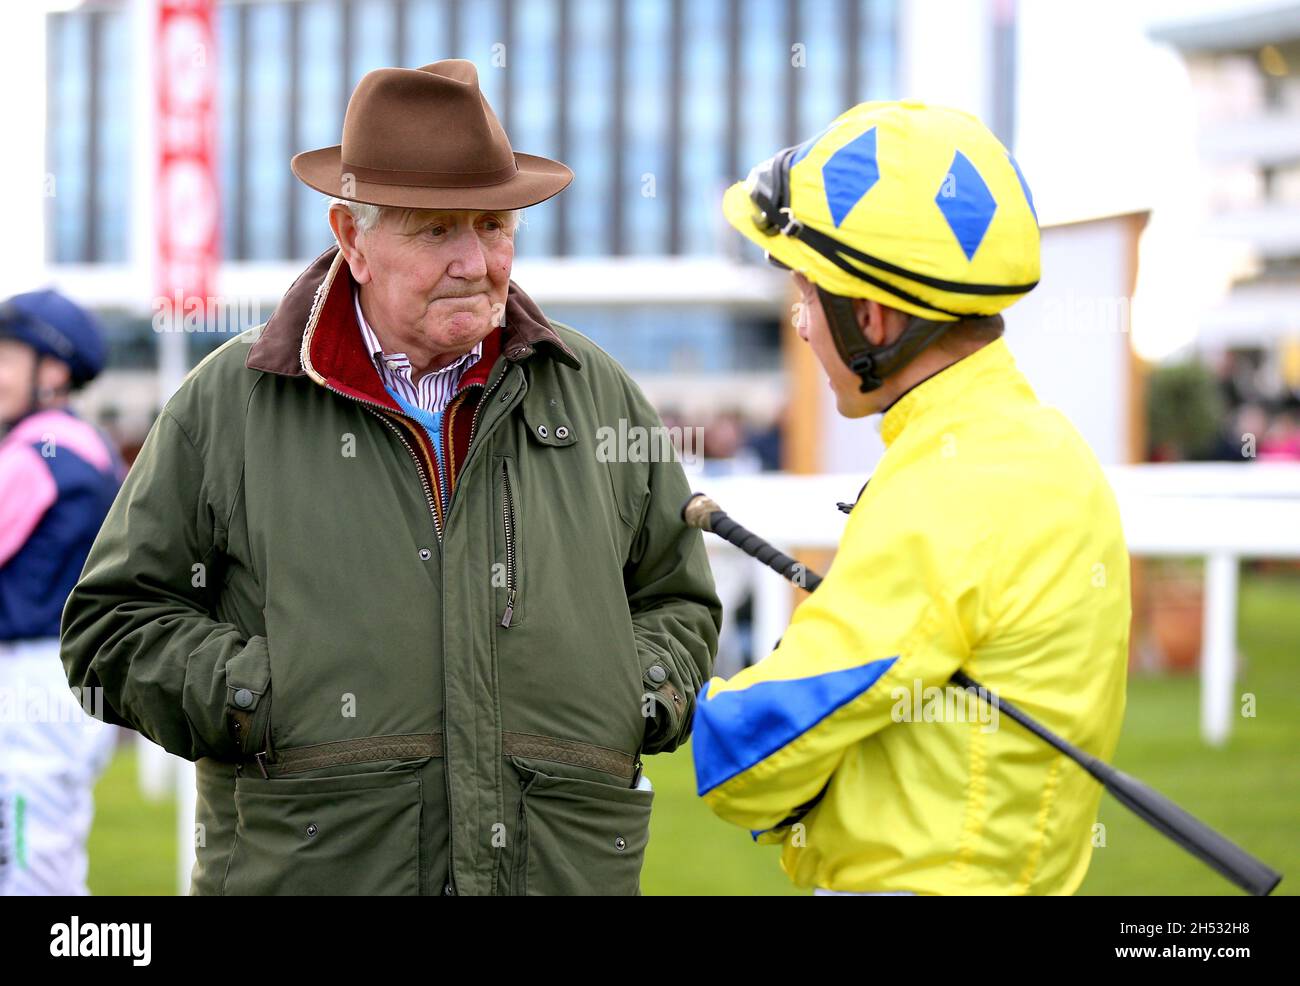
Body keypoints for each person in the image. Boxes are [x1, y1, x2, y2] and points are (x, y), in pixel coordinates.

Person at [61, 59, 720, 896]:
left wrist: (637, 694)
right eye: (436, 229)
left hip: (562, 868)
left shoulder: (597, 395)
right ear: (351, 237)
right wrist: (250, 696)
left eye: (493, 225)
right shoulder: (231, 404)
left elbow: (678, 599)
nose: (476, 260)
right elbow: (111, 626)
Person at [692, 100, 1130, 894]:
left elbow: (749, 756)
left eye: (804, 294)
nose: (798, 324)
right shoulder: (1045, 449)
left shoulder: (951, 487)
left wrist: (661, 693)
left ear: (873, 317)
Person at [0, 288, 123, 894]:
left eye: (5, 356)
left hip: (30, 688)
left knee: (26, 872)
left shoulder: (33, 454)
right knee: (48, 864)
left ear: (51, 372)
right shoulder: (88, 448)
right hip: (70, 685)